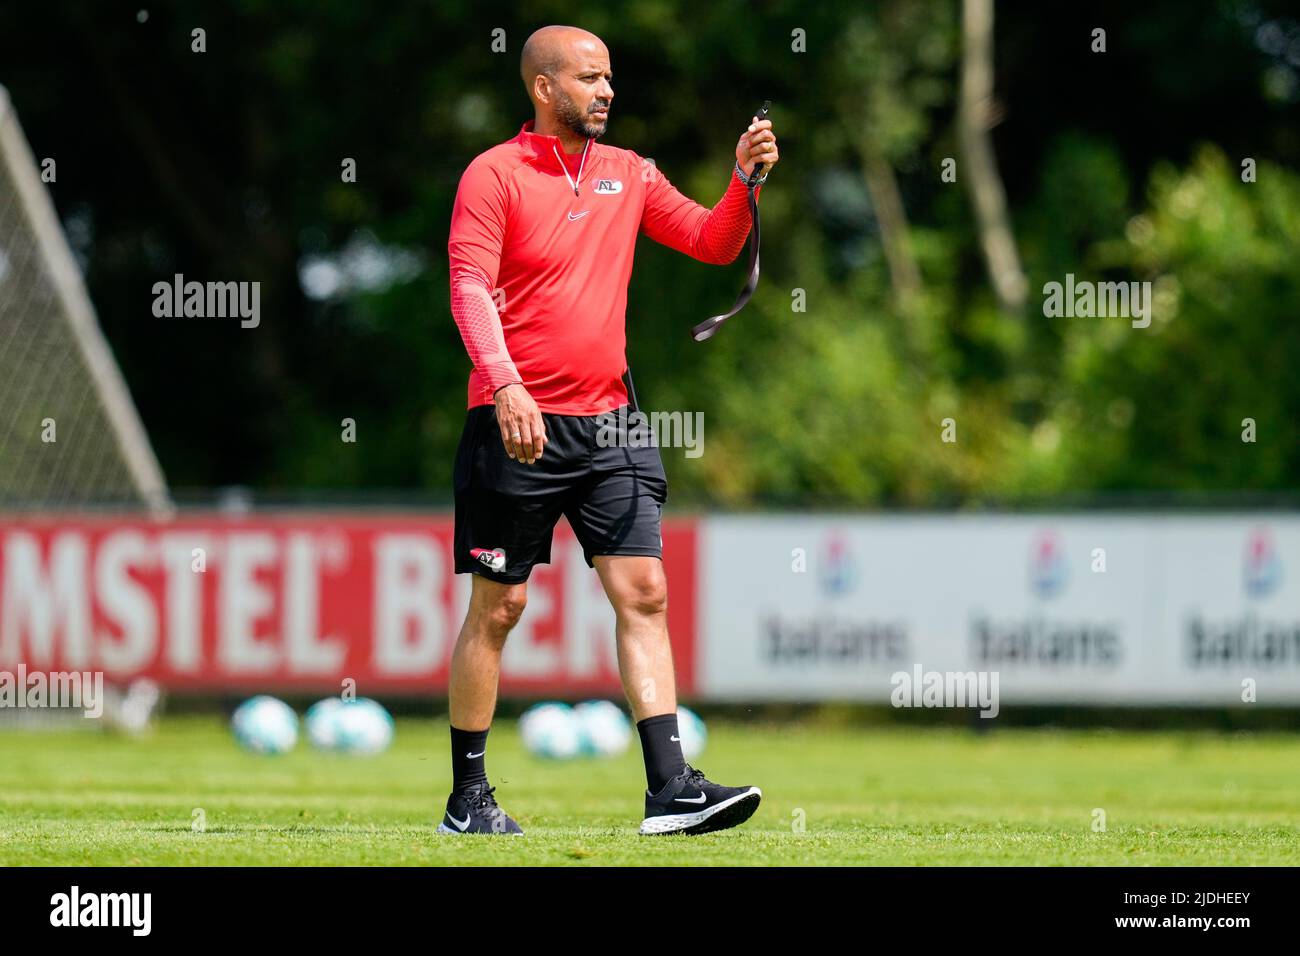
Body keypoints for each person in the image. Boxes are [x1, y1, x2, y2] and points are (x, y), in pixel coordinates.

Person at [441, 24, 779, 836]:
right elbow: (468, 286)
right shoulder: (493, 174)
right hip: (514, 422)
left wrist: (743, 178)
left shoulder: (629, 172)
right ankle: (468, 800)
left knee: (646, 591)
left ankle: (671, 788)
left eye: (610, 77)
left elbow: (711, 239)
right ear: (544, 88)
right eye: (590, 78)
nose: (607, 91)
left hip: (609, 421)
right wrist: (507, 384)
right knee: (500, 608)